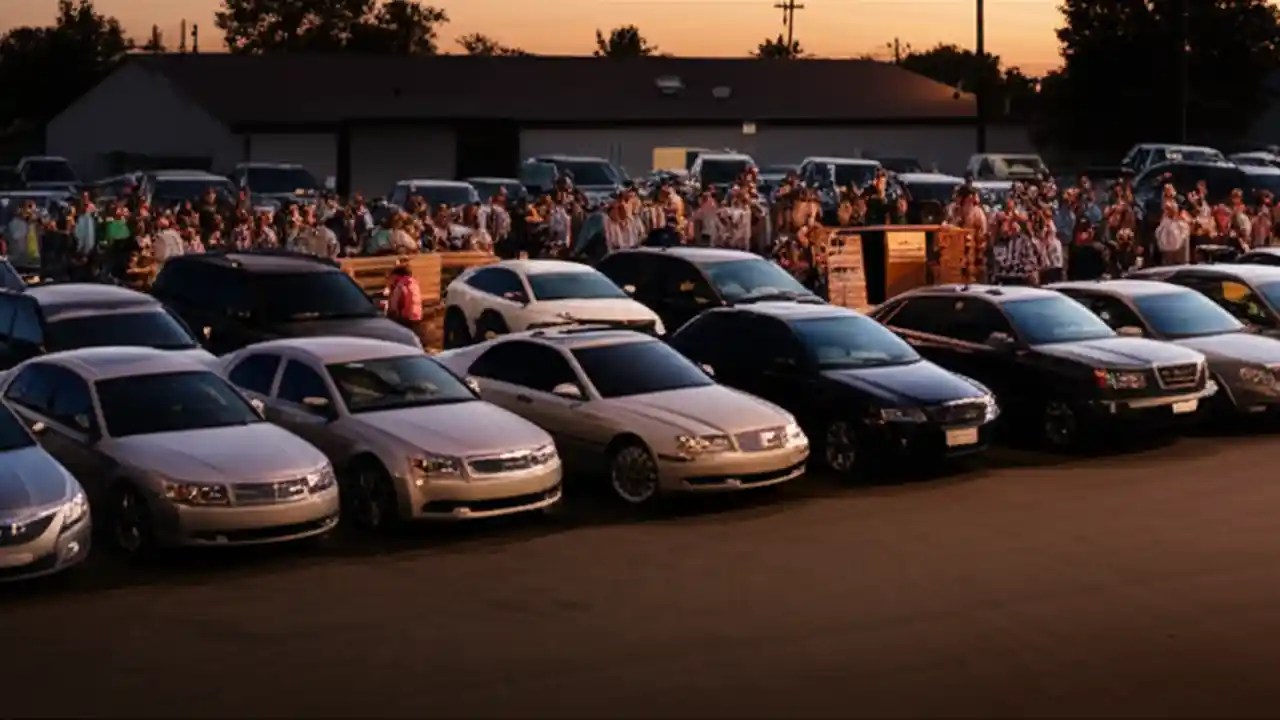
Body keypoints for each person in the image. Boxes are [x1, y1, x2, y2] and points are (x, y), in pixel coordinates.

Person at [386, 263, 424, 337]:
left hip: (405, 317)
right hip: (417, 316)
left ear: (397, 275)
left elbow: (396, 302)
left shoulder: (401, 284)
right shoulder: (414, 283)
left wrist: (393, 312)